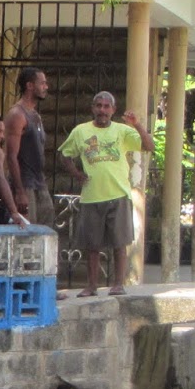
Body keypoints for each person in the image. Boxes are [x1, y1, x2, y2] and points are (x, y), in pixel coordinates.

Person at [59, 90, 154, 296]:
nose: (102, 110)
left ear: (113, 110)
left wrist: (137, 125)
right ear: (93, 108)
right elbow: (64, 155)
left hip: (118, 195)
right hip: (92, 196)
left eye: (106, 106)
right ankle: (92, 286)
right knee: (92, 245)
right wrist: (77, 174)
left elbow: (148, 146)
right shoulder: (80, 131)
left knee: (119, 243)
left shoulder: (122, 131)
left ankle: (118, 284)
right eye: (99, 106)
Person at [4, 66, 53, 226]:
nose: (46, 87)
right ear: (30, 85)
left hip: (39, 181)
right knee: (27, 230)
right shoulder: (17, 115)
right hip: (25, 183)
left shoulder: (35, 115)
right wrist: (19, 191)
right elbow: (11, 156)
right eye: (42, 83)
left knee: (46, 225)